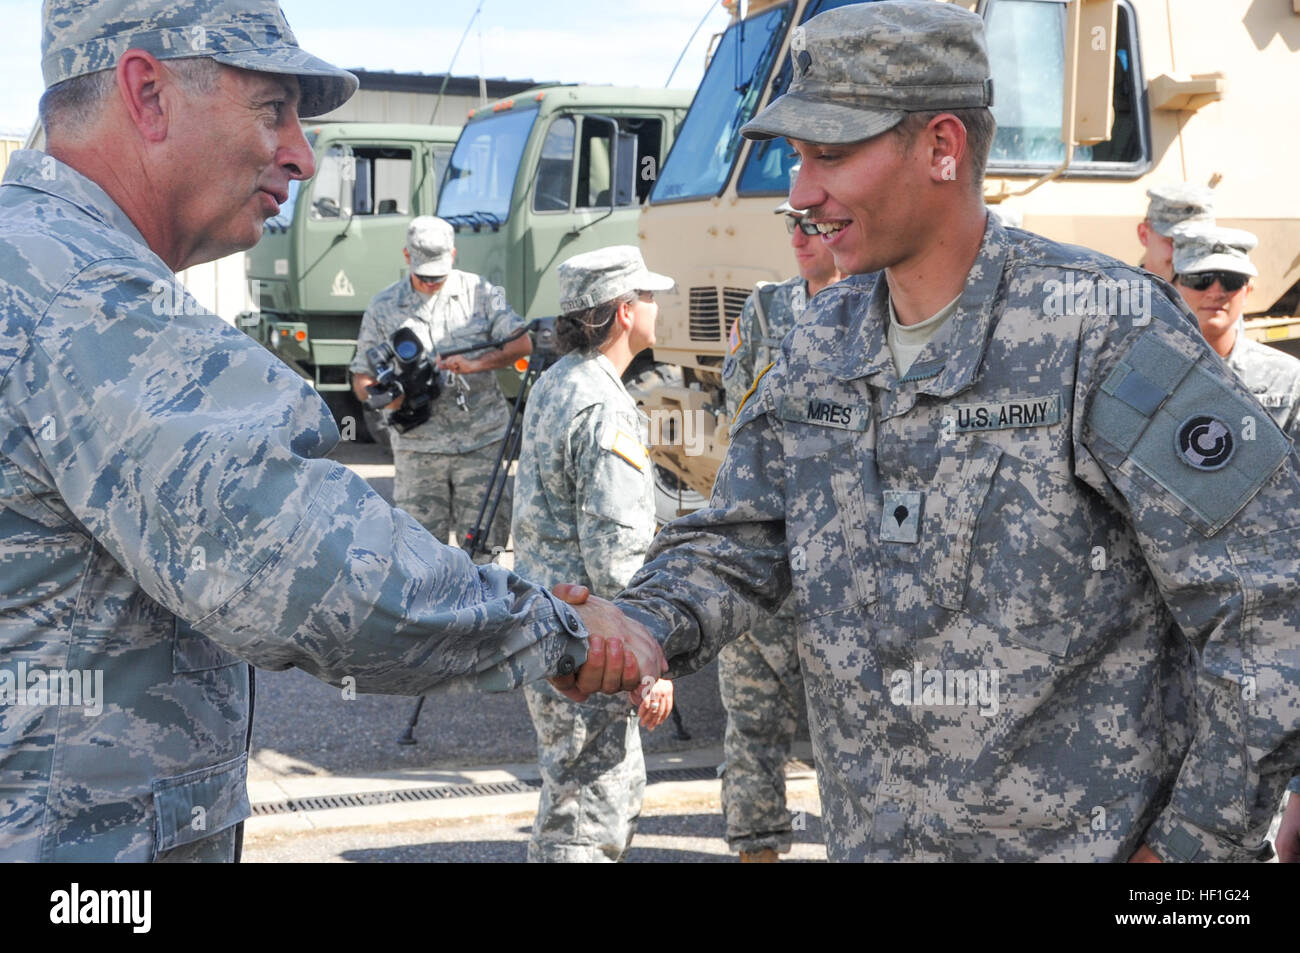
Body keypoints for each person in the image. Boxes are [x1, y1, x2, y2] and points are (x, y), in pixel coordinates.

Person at [565, 0, 1300, 861]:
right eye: (797, 159)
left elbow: (1267, 599)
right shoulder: (816, 341)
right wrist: (642, 625)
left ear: (942, 147)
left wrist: (1188, 853)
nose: (802, 194)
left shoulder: (1105, 331)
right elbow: (742, 540)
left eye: (831, 157)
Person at [0, 0, 659, 862]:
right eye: (272, 109)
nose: (302, 157)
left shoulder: (34, 255)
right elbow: (301, 557)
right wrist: (556, 629)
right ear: (147, 92)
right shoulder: (81, 293)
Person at [513, 246, 676, 863]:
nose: (659, 307)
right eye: (649, 297)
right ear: (624, 311)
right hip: (593, 640)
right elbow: (617, 554)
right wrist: (650, 657)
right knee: (591, 811)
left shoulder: (558, 382)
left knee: (569, 796)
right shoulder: (603, 403)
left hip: (552, 624)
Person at [715, 190, 842, 862]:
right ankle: (757, 849)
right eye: (794, 223)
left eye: (815, 225)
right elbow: (738, 409)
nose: (800, 235)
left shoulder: (881, 308)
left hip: (843, 563)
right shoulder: (767, 307)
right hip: (764, 543)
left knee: (850, 734)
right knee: (752, 723)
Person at [351, 216, 530, 562]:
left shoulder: (481, 294)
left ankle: (484, 616)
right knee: (418, 557)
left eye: (438, 275)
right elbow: (361, 378)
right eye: (424, 276)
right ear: (407, 257)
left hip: (481, 443)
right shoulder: (384, 306)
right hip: (419, 451)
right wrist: (387, 399)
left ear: (454, 254)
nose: (432, 284)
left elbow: (522, 344)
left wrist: (476, 364)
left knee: (485, 554)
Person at [1169, 223, 1300, 440]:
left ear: (1247, 291)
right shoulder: (1137, 369)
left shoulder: (1288, 379)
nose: (1216, 292)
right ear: (1172, 287)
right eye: (1201, 279)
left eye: (1231, 281)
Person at [1137, 184, 1214, 282]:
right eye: (1175, 242)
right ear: (1144, 235)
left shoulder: (1222, 293)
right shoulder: (1125, 294)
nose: (1187, 253)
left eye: (1197, 243)